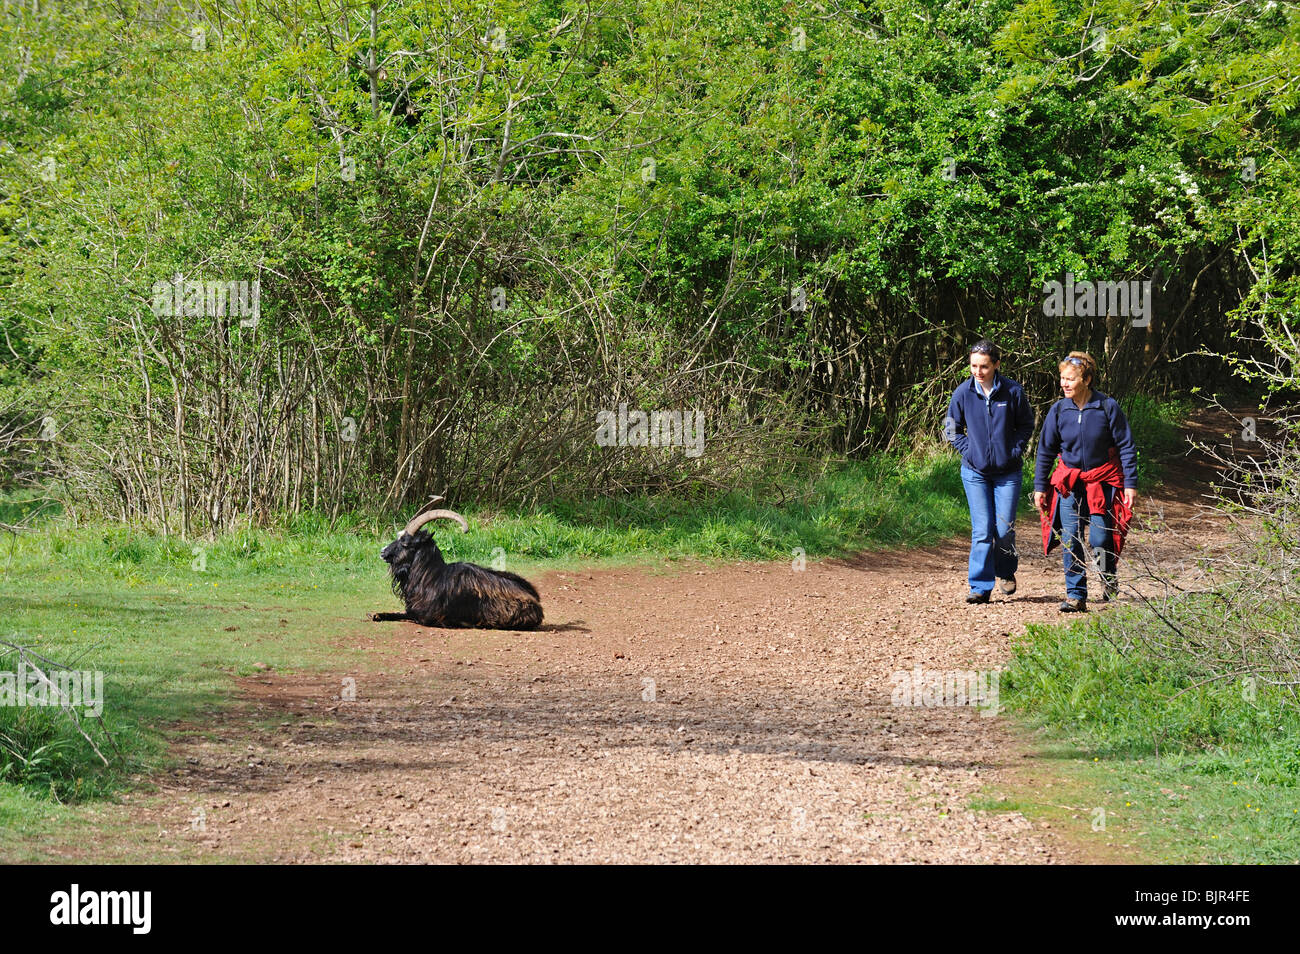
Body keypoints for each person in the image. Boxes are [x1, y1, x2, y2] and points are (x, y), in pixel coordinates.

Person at [1032, 351, 1138, 613]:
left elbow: (1126, 446)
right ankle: (1076, 594)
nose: (1064, 384)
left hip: (1101, 483)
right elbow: (1045, 450)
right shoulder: (1058, 410)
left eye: (1070, 379)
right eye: (1062, 378)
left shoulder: (1106, 407)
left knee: (1101, 539)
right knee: (1071, 538)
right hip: (1069, 483)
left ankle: (1107, 573)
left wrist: (1130, 484)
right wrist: (1039, 486)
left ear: (1087, 379)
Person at [945, 340, 1035, 605]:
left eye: (984, 366)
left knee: (1004, 529)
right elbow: (951, 428)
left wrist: (1014, 450)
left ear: (996, 364)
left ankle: (1006, 571)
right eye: (974, 365)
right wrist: (969, 450)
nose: (978, 371)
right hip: (975, 472)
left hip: (1008, 472)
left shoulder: (1013, 392)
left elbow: (1026, 425)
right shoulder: (962, 393)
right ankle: (980, 586)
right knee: (982, 530)